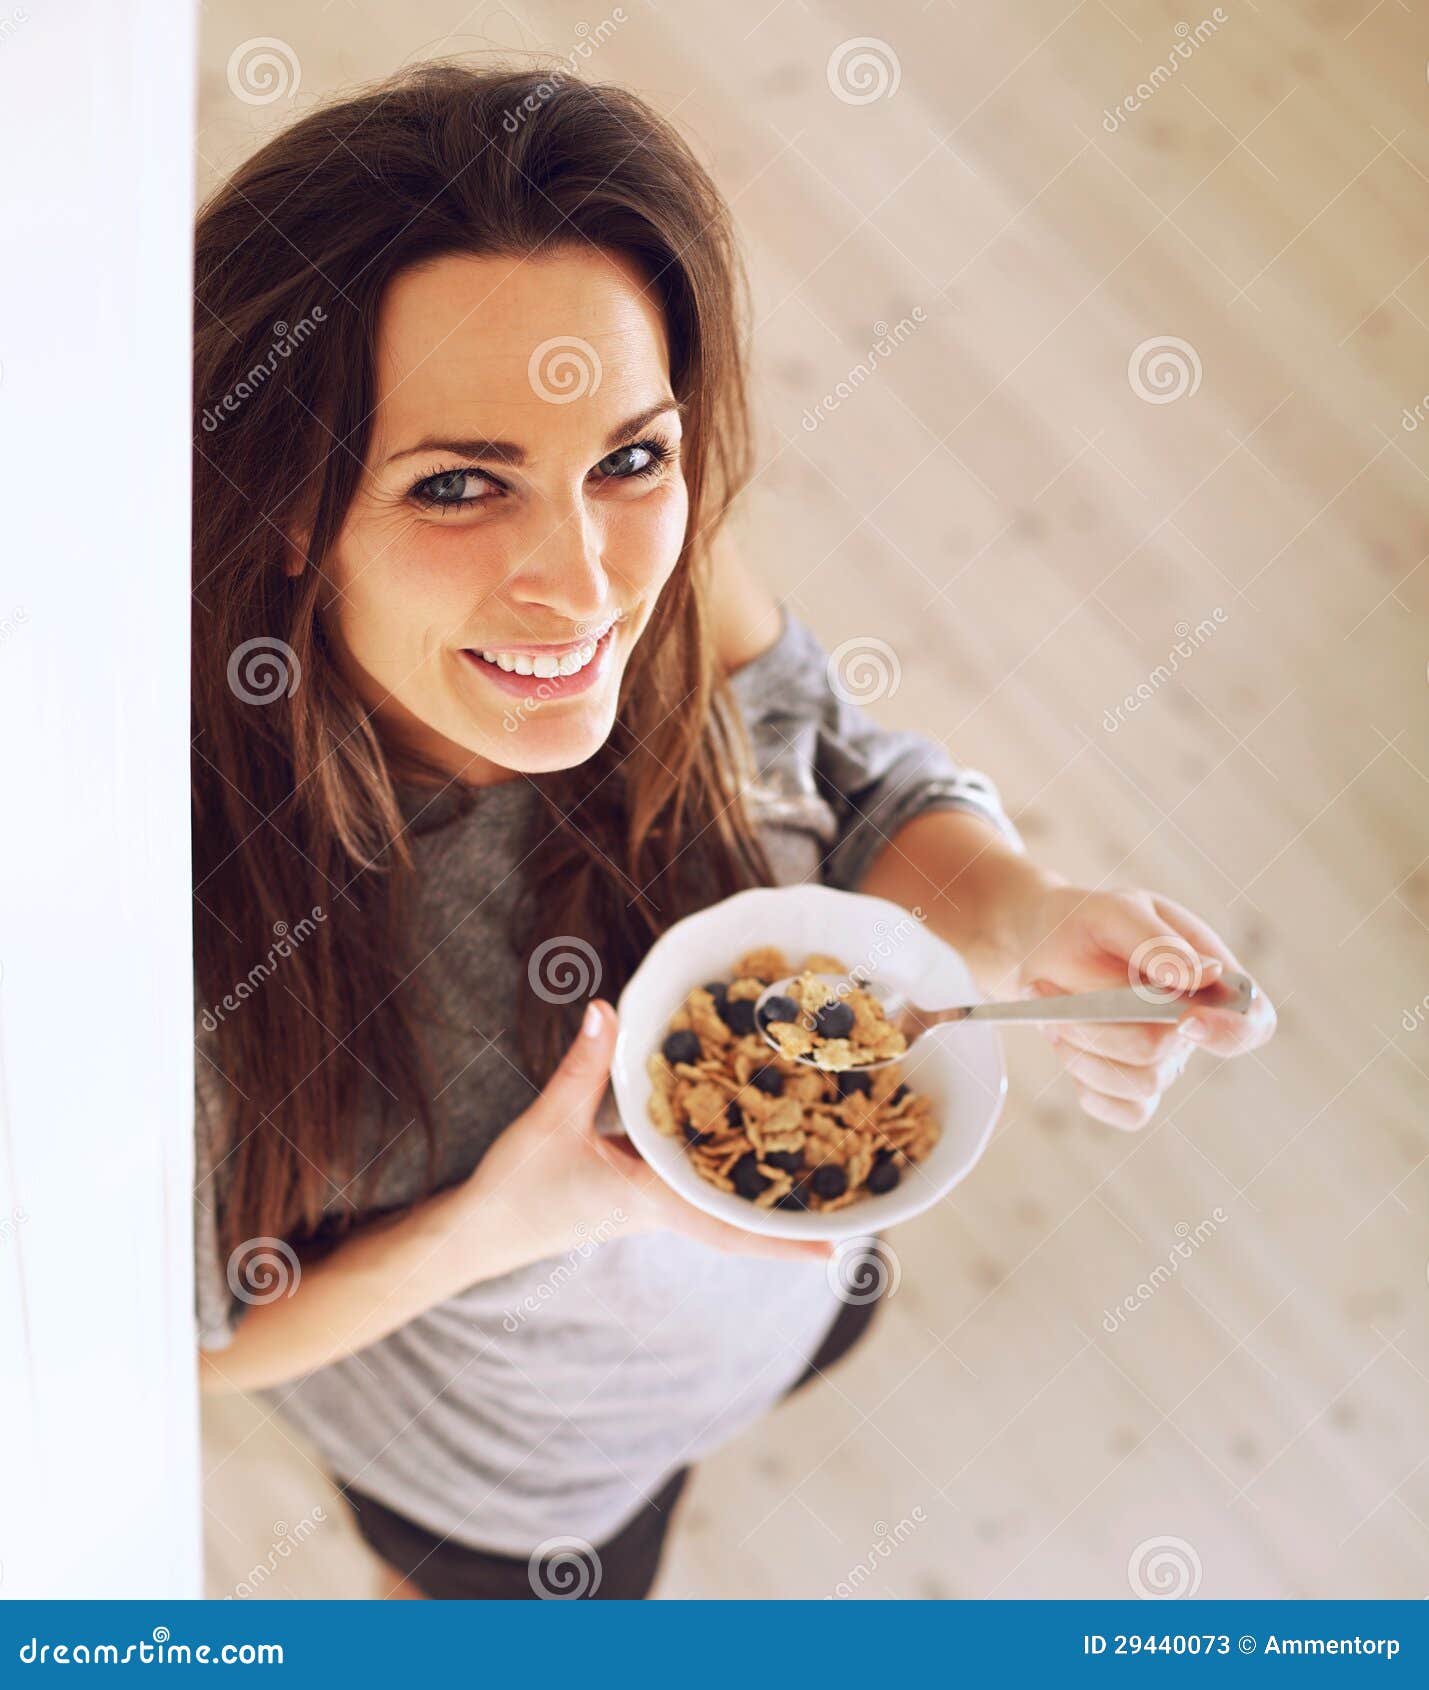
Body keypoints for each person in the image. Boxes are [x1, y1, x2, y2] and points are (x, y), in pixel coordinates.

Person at [191, 62, 1275, 1600]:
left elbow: (838, 778)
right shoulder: (194, 908)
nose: (584, 588)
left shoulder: (666, 566)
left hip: (771, 1307)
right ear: (289, 507)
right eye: (455, 487)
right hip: (521, 1484)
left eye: (630, 457)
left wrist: (1023, 914)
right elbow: (199, 1339)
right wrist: (492, 1225)